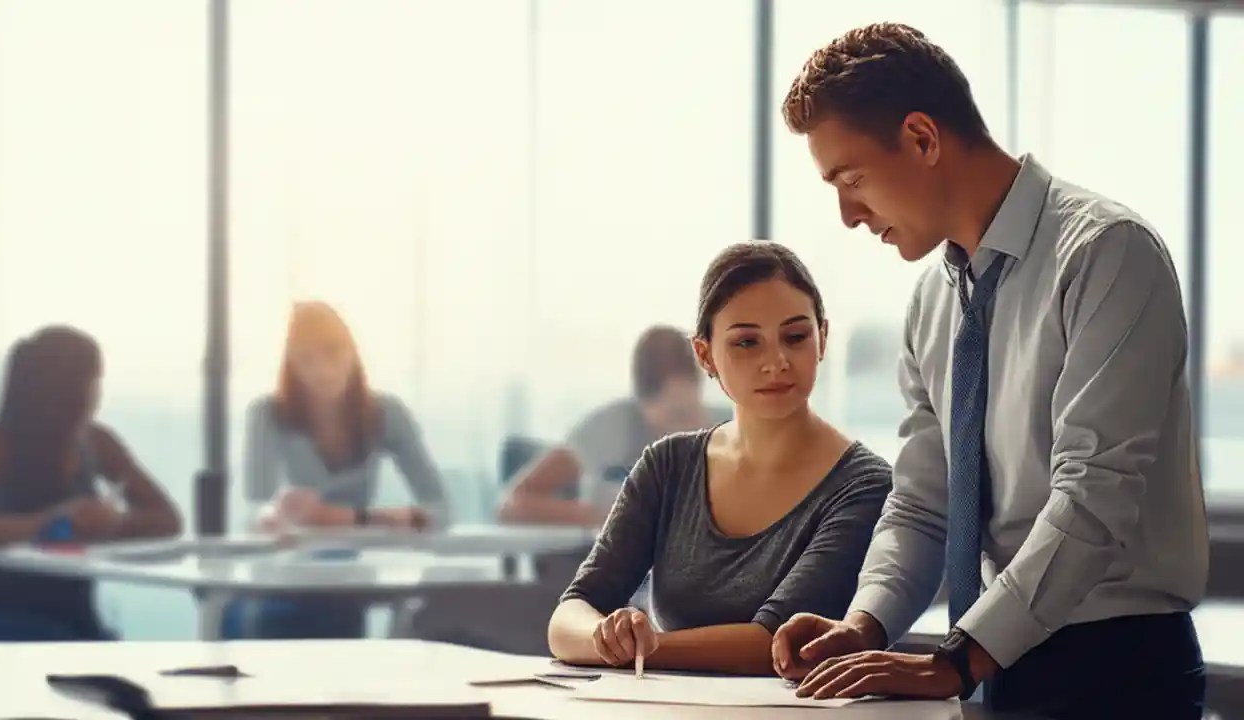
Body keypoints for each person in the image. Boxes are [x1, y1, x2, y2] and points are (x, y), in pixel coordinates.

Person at [769, 23, 1207, 718]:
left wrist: (957, 661)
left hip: (1119, 668)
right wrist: (864, 625)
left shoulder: (1107, 254)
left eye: (851, 179)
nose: (848, 215)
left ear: (922, 138)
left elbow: (1093, 495)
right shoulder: (932, 302)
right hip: (997, 663)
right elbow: (923, 502)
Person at [547, 242, 892, 675]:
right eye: (747, 342)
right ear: (705, 355)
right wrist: (608, 635)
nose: (776, 362)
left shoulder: (865, 485)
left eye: (795, 337)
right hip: (663, 705)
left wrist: (641, 649)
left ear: (822, 338)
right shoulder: (668, 465)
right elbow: (569, 615)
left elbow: (777, 644)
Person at [230, 300, 448, 639]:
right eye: (306, 359)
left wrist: (350, 518)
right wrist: (274, 517)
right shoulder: (268, 414)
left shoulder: (386, 413)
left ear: (352, 352)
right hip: (285, 575)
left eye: (333, 352)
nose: (322, 369)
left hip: (352, 576)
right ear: (291, 365)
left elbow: (440, 509)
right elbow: (255, 506)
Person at [0, 327, 182, 641]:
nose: (98, 392)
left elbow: (168, 519)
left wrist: (111, 523)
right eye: (94, 380)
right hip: (9, 613)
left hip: (77, 614)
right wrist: (47, 523)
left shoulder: (97, 442)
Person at [499, 325, 722, 528]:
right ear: (642, 402)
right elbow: (513, 504)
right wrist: (607, 518)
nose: (687, 428)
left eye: (693, 410)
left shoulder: (719, 430)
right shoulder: (611, 427)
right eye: (676, 414)